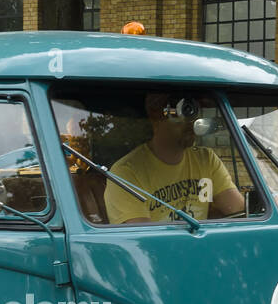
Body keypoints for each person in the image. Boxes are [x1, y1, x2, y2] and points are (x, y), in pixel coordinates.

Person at [104, 92, 244, 224]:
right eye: (181, 110)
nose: (191, 121)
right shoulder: (126, 173)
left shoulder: (206, 160)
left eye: (194, 110)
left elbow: (240, 212)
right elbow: (144, 241)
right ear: (156, 116)